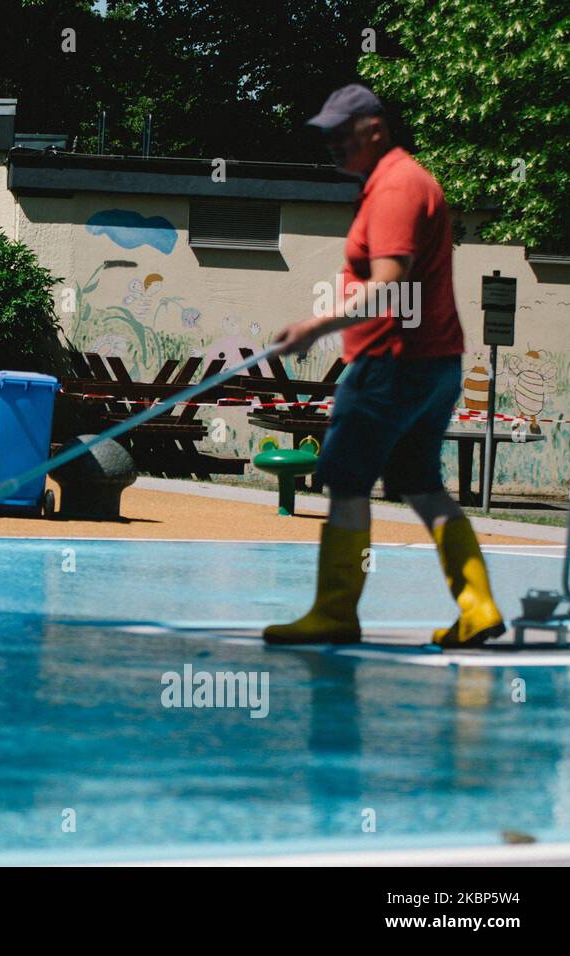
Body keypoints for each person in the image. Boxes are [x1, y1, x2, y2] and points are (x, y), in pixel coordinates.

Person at [265, 84, 503, 647]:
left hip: (388, 365)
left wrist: (312, 327)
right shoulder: (406, 182)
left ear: (375, 127)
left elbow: (389, 285)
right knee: (422, 486)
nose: (332, 145)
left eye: (341, 133)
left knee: (346, 485)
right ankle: (478, 606)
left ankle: (335, 612)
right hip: (433, 364)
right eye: (327, 136)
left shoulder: (396, 188)